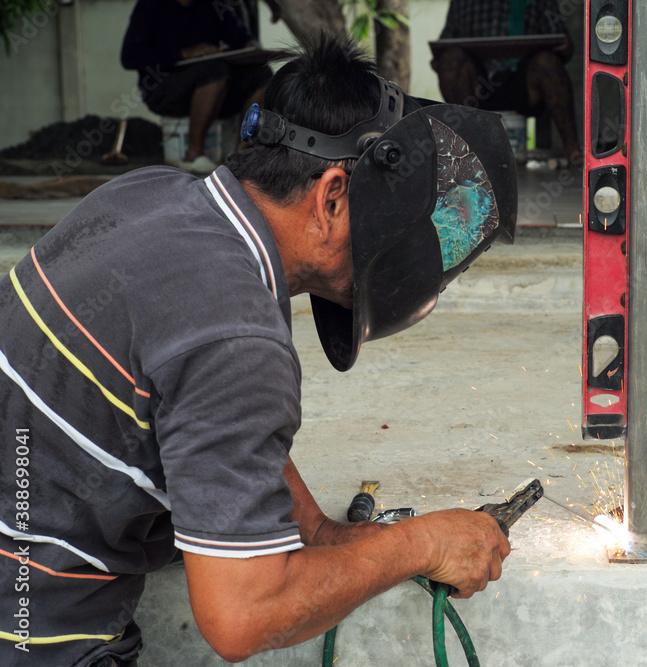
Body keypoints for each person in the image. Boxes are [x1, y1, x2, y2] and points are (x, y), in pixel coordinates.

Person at [0, 38, 517, 666]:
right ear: (331, 197)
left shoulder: (153, 197)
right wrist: (424, 543)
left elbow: (205, 415)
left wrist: (321, 534)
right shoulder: (236, 336)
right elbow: (242, 616)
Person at [120, 0, 273, 174]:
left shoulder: (213, 4)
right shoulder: (150, 5)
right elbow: (130, 56)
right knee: (213, 69)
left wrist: (250, 45)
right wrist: (182, 54)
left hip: (216, 90)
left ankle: (242, 153)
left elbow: (241, 37)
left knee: (261, 73)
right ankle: (193, 153)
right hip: (162, 91)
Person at [433, 0, 581, 163]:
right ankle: (463, 153)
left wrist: (566, 46)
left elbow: (562, 42)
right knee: (451, 60)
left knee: (547, 62)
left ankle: (573, 152)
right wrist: (441, 61)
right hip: (477, 86)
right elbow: (445, 44)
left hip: (523, 82)